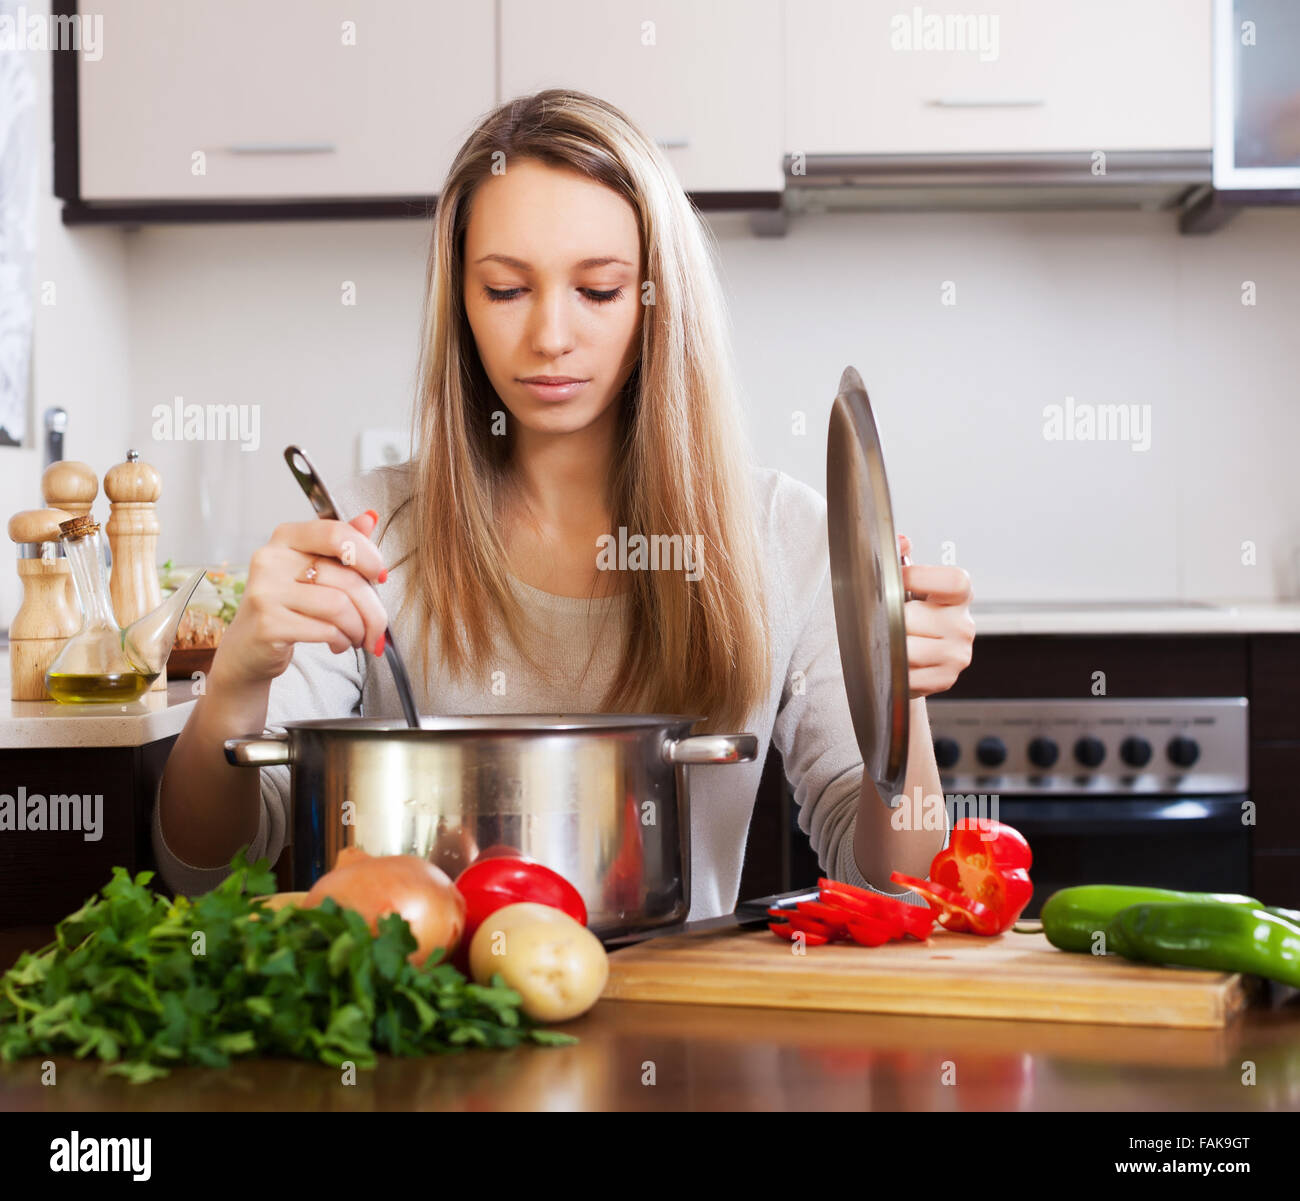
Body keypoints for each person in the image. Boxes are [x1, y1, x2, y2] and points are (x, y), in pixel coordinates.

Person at [154, 89, 975, 920]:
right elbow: (205, 871)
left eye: (600, 291)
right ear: (460, 304)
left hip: (685, 1035)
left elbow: (892, 885)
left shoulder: (784, 536)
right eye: (507, 290)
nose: (550, 334)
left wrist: (897, 704)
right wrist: (236, 679)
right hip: (423, 1037)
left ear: (660, 301)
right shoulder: (367, 533)